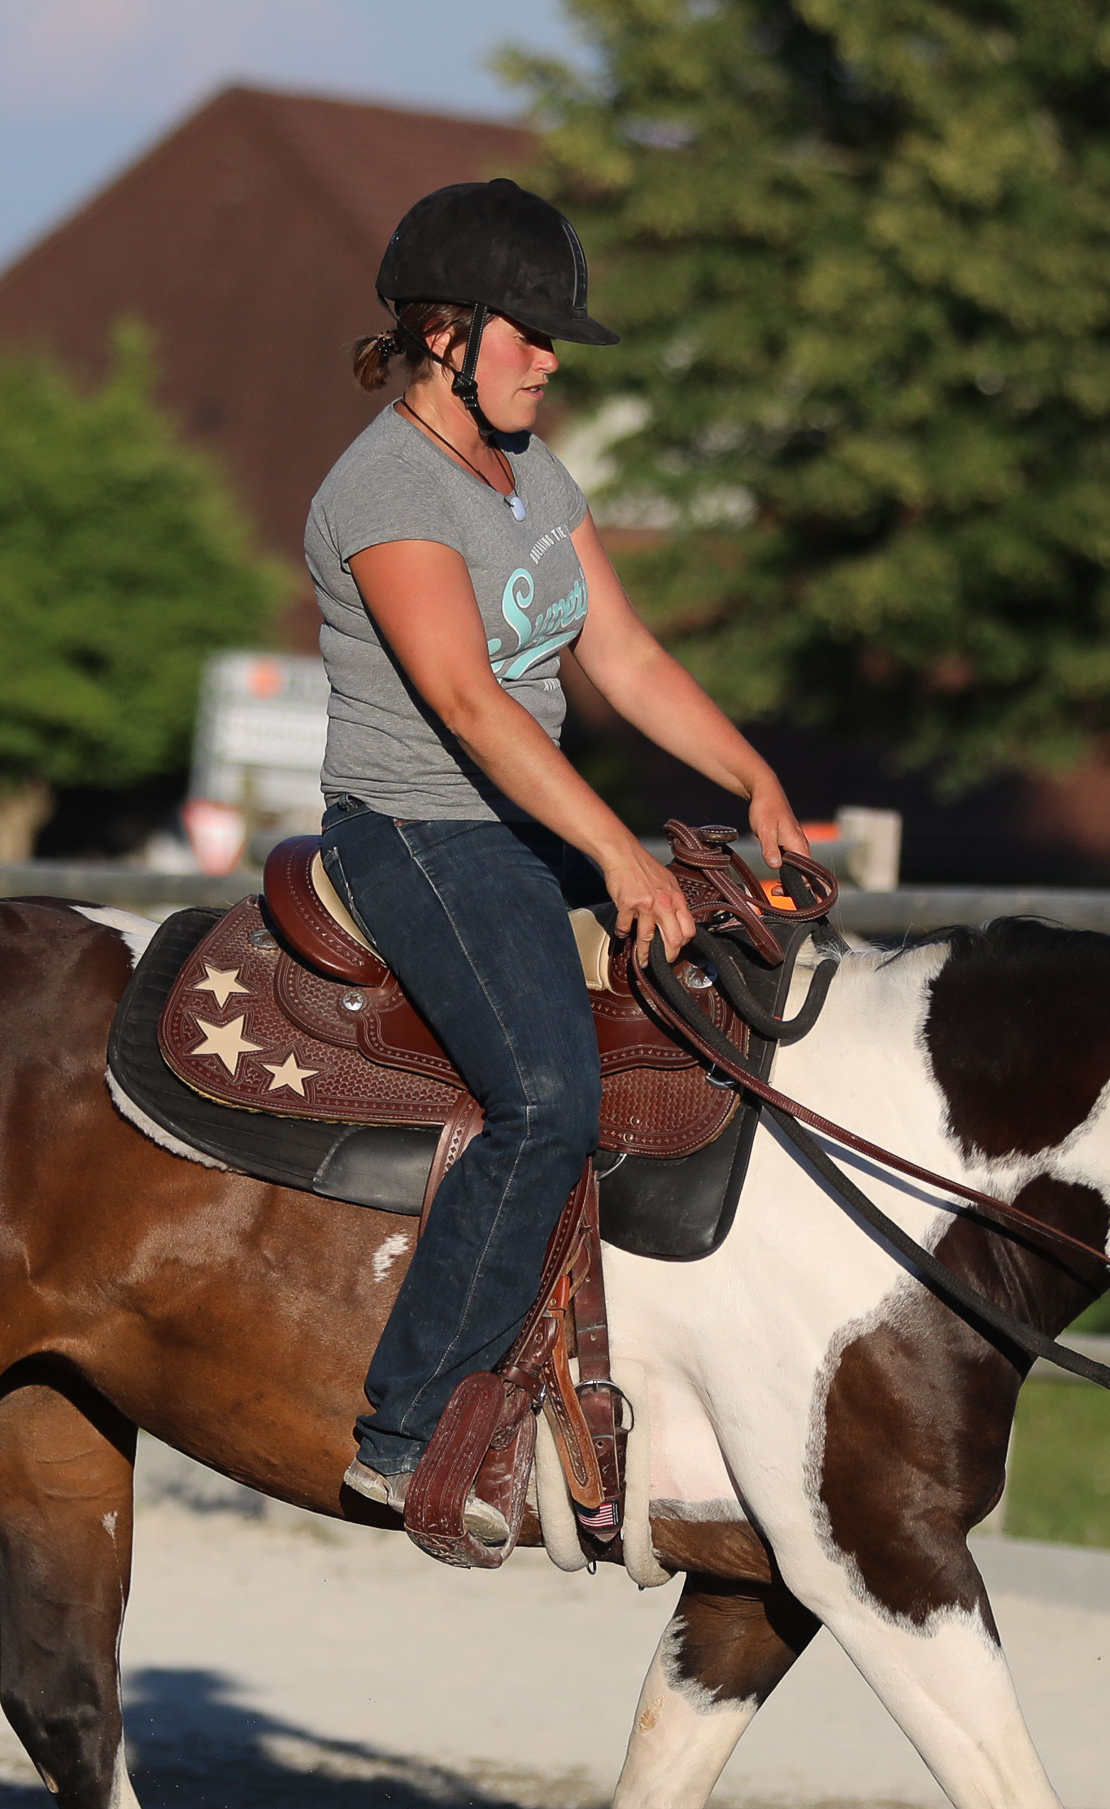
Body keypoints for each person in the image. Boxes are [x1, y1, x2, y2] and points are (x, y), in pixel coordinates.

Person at [307, 177, 800, 1547]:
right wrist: (615, 853)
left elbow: (623, 656)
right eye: (530, 331)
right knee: (543, 1096)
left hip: (529, 821)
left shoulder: (536, 477)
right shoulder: (384, 489)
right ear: (444, 335)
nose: (553, 357)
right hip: (420, 827)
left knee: (742, 1000)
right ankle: (406, 1427)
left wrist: (748, 773)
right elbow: (467, 704)